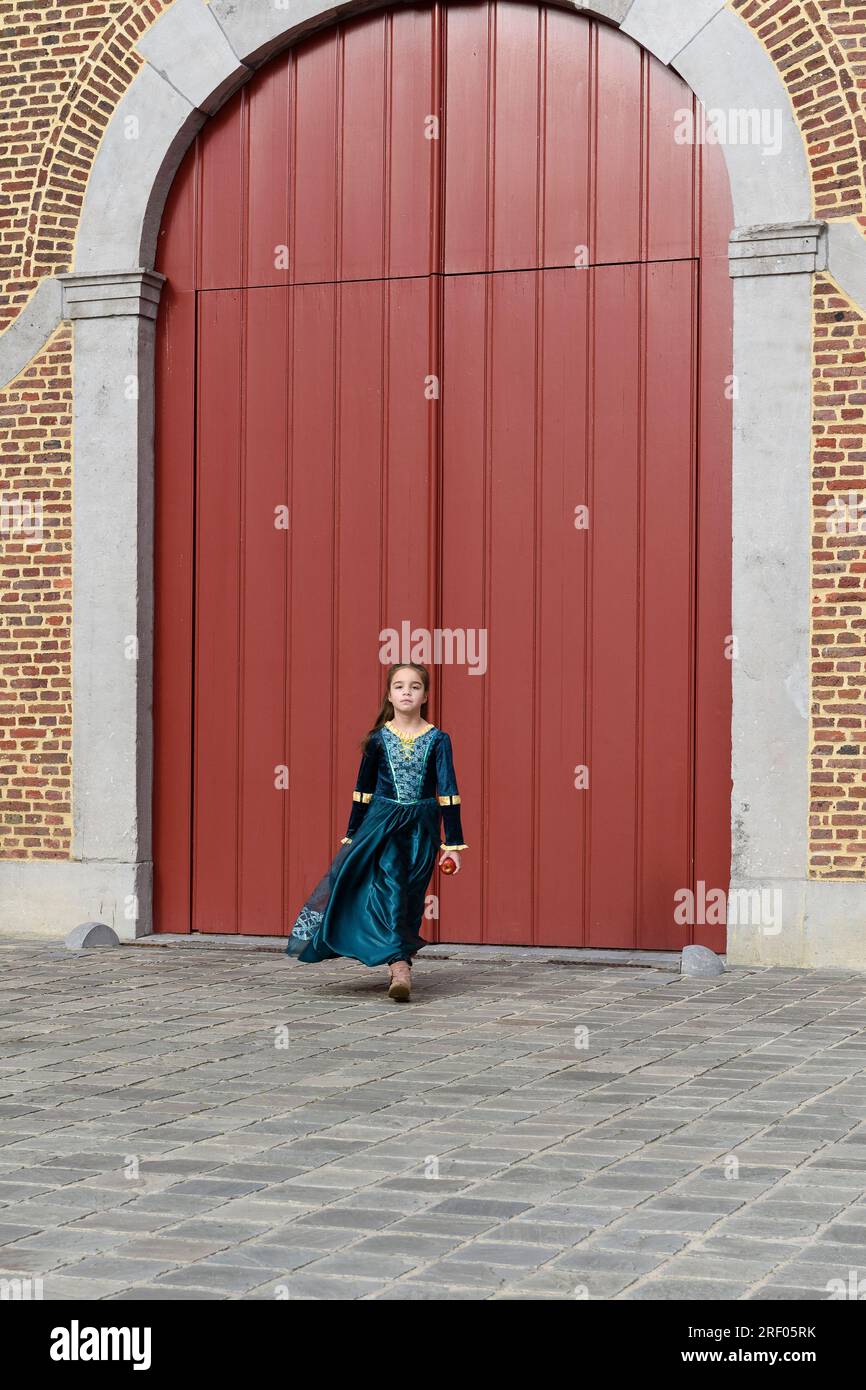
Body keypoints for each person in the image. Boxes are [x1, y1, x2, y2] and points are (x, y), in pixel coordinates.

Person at [284, 662, 468, 1002]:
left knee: (410, 898)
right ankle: (400, 968)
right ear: (389, 694)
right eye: (400, 686)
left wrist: (452, 845)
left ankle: (400, 956)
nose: (407, 692)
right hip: (382, 825)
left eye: (415, 687)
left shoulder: (439, 740)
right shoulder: (378, 740)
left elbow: (449, 792)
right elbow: (362, 791)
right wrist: (353, 833)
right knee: (391, 887)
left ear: (425, 695)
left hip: (421, 829)